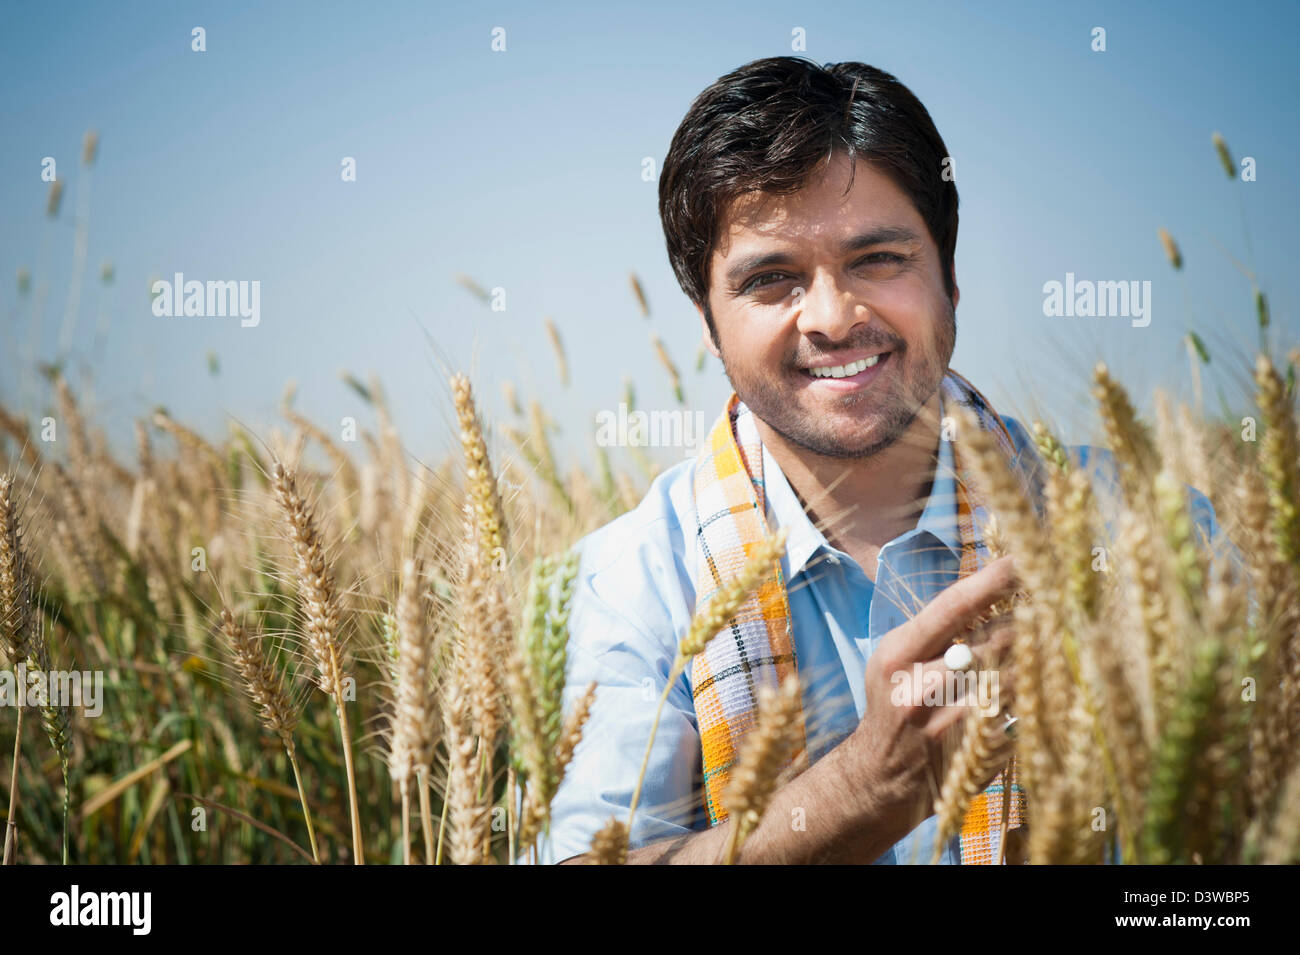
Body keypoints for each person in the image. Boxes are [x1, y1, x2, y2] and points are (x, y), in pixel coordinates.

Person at [534, 56, 1218, 865]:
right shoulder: (628, 581)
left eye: (878, 260)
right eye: (771, 279)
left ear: (950, 279)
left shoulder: (1142, 528)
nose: (832, 316)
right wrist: (858, 794)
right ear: (707, 322)